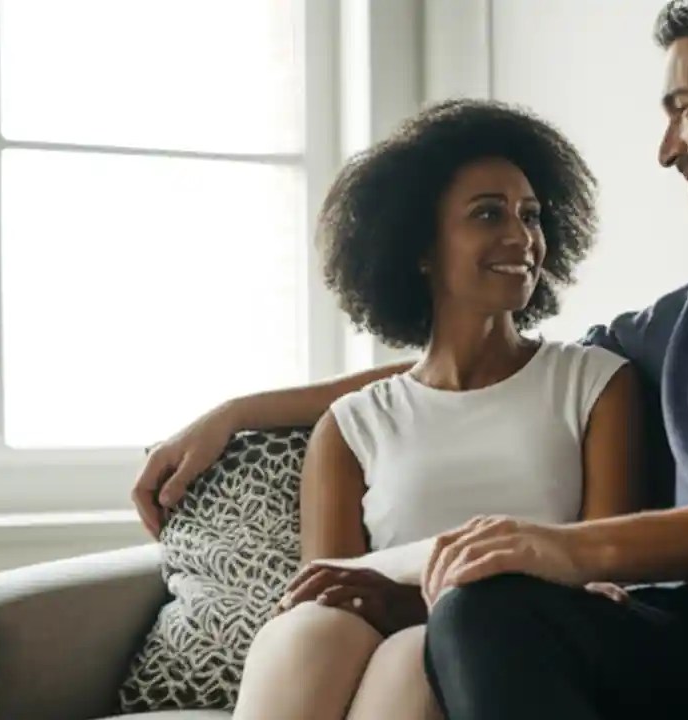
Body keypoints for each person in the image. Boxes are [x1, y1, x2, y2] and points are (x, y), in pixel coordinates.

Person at [136, 1, 688, 717]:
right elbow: (488, 365)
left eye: (682, 107)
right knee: (483, 611)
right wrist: (240, 412)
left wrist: (574, 549)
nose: (668, 147)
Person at [231, 99, 643, 720]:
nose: (521, 237)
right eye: (487, 214)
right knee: (312, 629)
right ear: (420, 247)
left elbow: (608, 579)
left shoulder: (594, 383)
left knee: (414, 655)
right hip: (371, 635)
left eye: (530, 216)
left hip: (508, 643)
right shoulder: (349, 425)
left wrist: (428, 607)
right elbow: (328, 590)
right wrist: (232, 413)